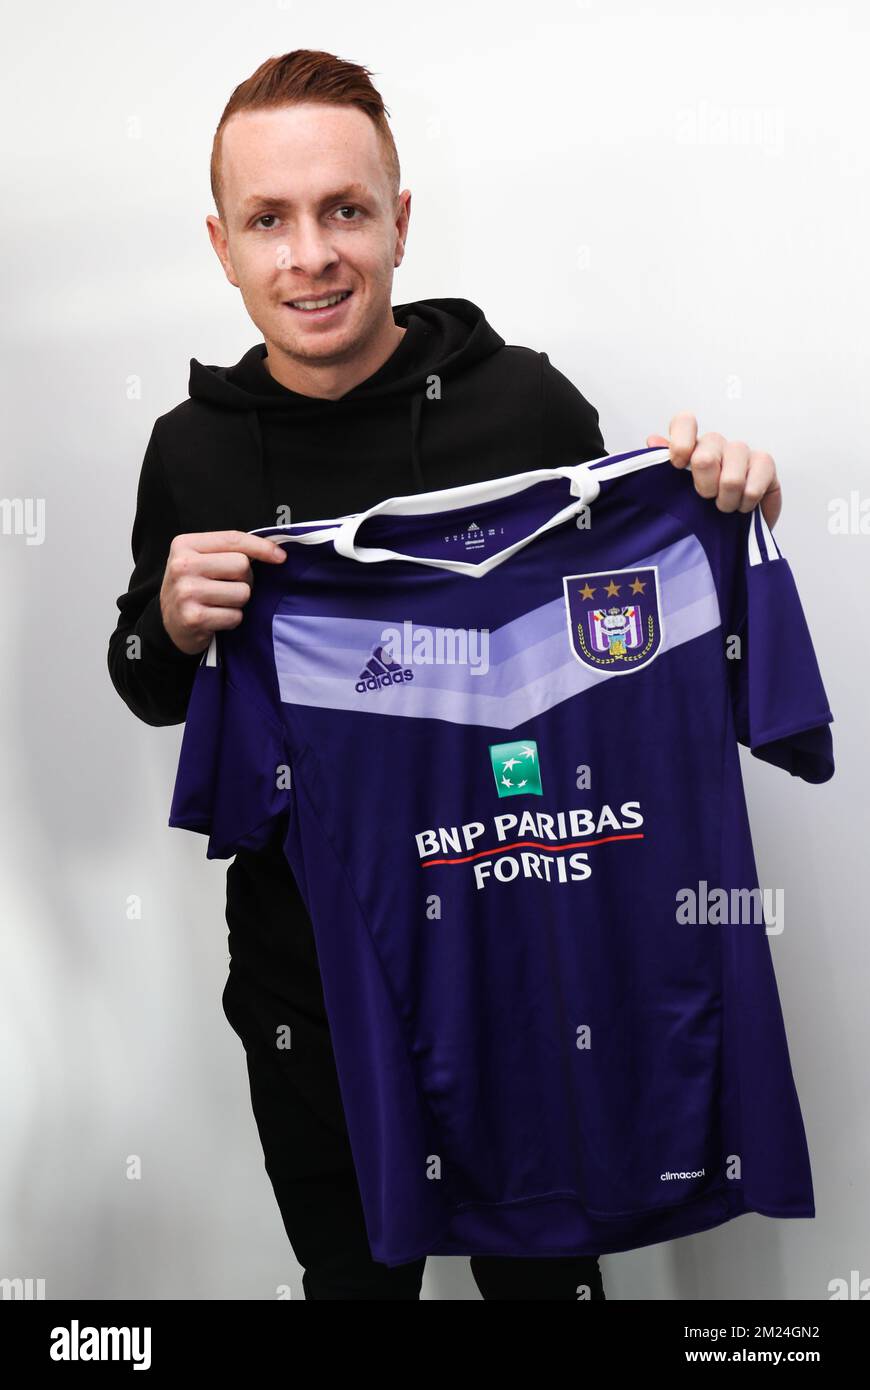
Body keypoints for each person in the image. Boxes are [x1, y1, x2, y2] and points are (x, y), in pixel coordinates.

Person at [107, 48, 783, 1301]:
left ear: (400, 222)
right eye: (270, 219)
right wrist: (169, 617)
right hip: (310, 980)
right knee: (357, 1292)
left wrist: (714, 515)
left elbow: (611, 636)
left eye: (344, 211)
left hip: (527, 958)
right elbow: (146, 683)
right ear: (222, 244)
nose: (309, 253)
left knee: (547, 1292)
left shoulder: (524, 407)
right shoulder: (192, 451)